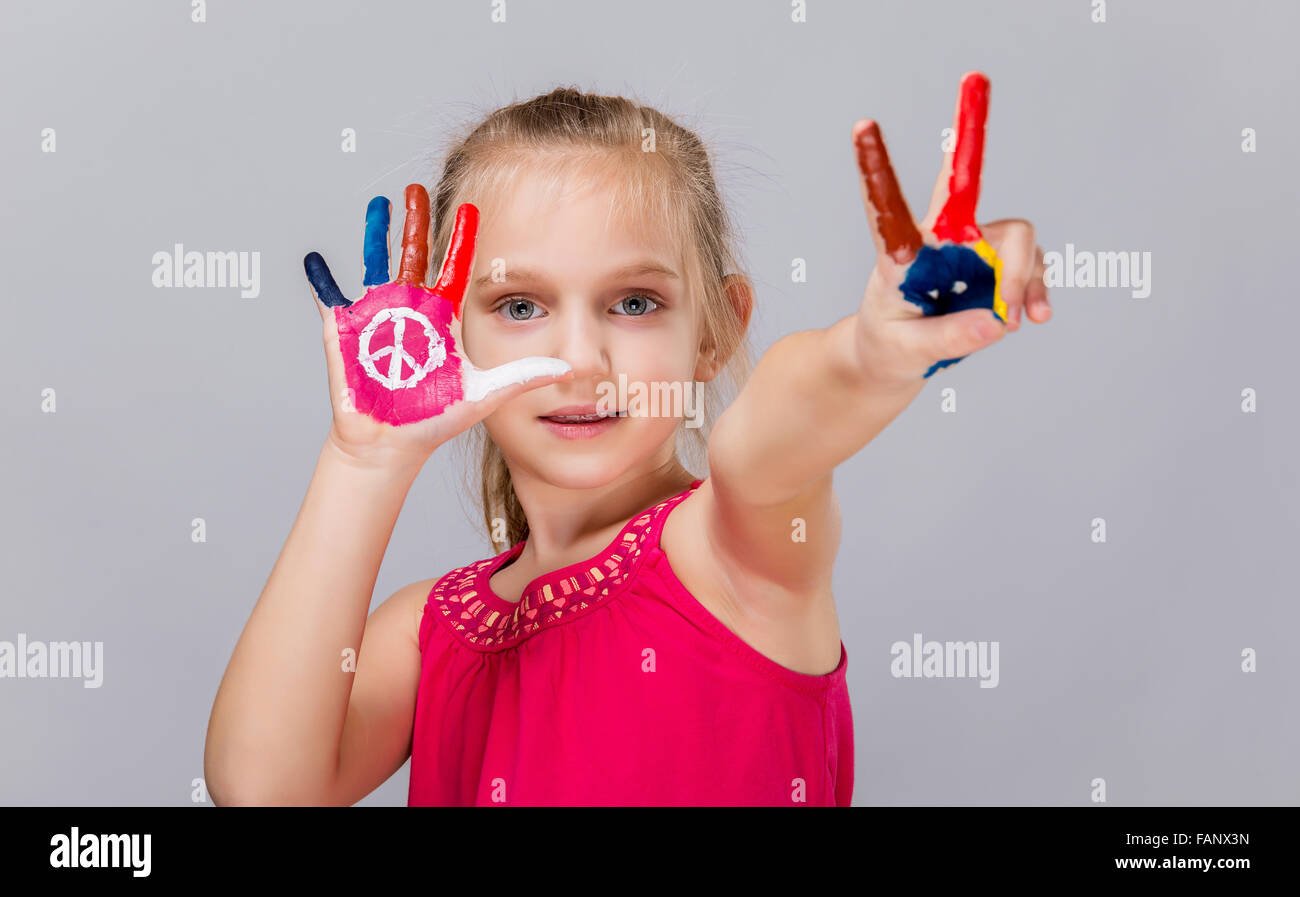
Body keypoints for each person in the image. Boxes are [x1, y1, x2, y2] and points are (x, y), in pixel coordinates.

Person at [204, 74, 1051, 806]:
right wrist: (365, 457)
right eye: (520, 306)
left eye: (635, 302)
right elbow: (263, 788)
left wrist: (869, 353)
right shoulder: (431, 632)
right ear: (449, 336)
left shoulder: (734, 548)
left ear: (715, 331)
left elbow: (769, 441)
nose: (581, 360)